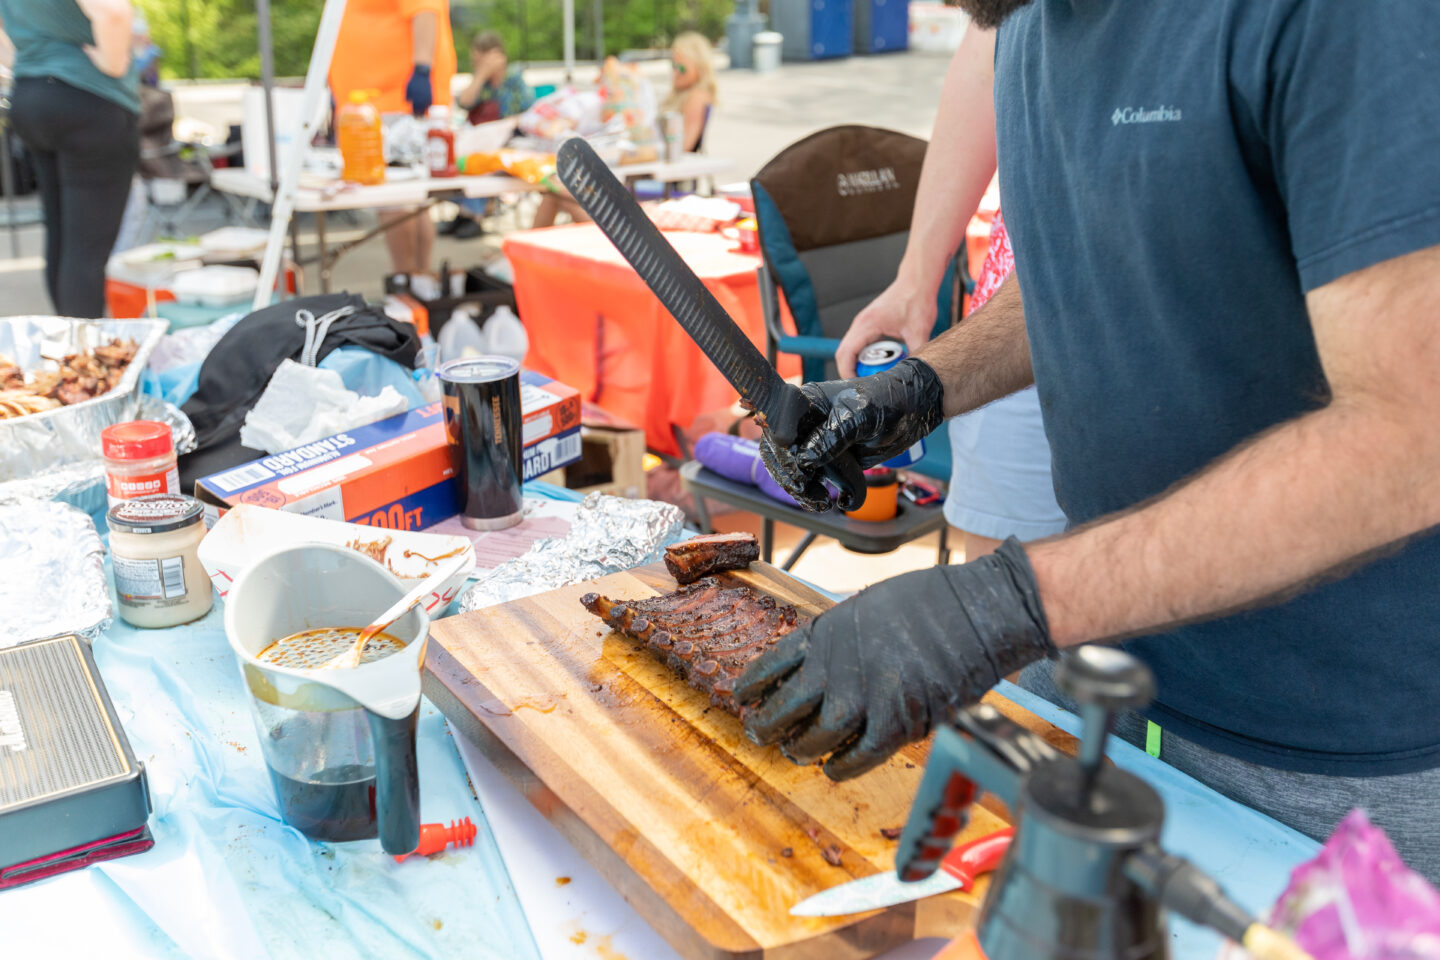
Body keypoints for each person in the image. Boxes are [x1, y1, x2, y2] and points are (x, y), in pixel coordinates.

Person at [736, 0, 1440, 882]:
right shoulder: (1026, 24)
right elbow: (1079, 268)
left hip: (1329, 758)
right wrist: (918, 390)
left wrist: (1007, 604)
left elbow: (1411, 436)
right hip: (1106, 672)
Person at [836, 26, 1064, 562]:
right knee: (1007, 608)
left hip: (1172, 341)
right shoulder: (1004, 25)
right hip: (1011, 316)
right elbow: (984, 54)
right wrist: (916, 279)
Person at [0, 0, 138, 318]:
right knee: (85, 250)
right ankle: (83, 357)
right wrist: (112, 64)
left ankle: (71, 344)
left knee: (62, 238)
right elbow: (113, 11)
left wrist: (27, 58)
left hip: (32, 94)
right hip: (88, 96)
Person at [329, 0, 456, 281]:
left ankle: (406, 283)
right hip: (377, 104)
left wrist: (422, 68)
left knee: (394, 201)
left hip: (396, 103)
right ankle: (418, 281)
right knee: (411, 200)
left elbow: (425, 9)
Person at [441, 31, 533, 240]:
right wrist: (481, 74)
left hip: (506, 142)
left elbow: (527, 115)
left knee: (481, 160)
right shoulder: (482, 84)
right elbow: (464, 102)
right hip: (477, 140)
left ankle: (474, 215)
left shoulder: (514, 81)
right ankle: (465, 212)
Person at [662, 31, 716, 155]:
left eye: (681, 68)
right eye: (673, 65)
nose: (675, 72)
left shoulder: (697, 97)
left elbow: (684, 146)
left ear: (699, 66)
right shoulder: (681, 94)